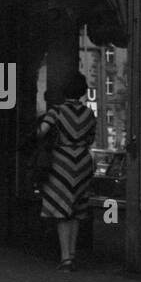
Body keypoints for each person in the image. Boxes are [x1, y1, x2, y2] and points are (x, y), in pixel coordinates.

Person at [37, 73, 97, 270]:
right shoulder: (89, 114)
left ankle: (65, 258)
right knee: (77, 210)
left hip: (61, 161)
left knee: (63, 210)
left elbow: (41, 132)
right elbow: (90, 139)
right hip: (83, 161)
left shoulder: (57, 112)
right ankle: (72, 253)